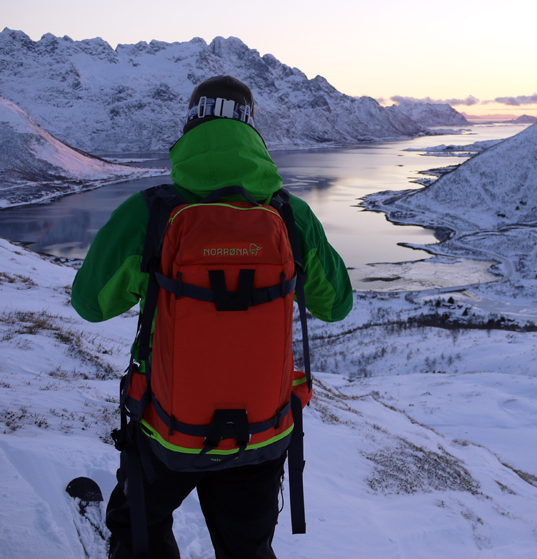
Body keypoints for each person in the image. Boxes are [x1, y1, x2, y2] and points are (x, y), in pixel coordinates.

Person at [71, 75, 353, 559]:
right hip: (264, 430)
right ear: (253, 132)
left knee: (140, 524)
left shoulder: (151, 213)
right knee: (247, 546)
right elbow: (337, 304)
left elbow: (91, 305)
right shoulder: (290, 216)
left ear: (191, 126)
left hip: (167, 428)